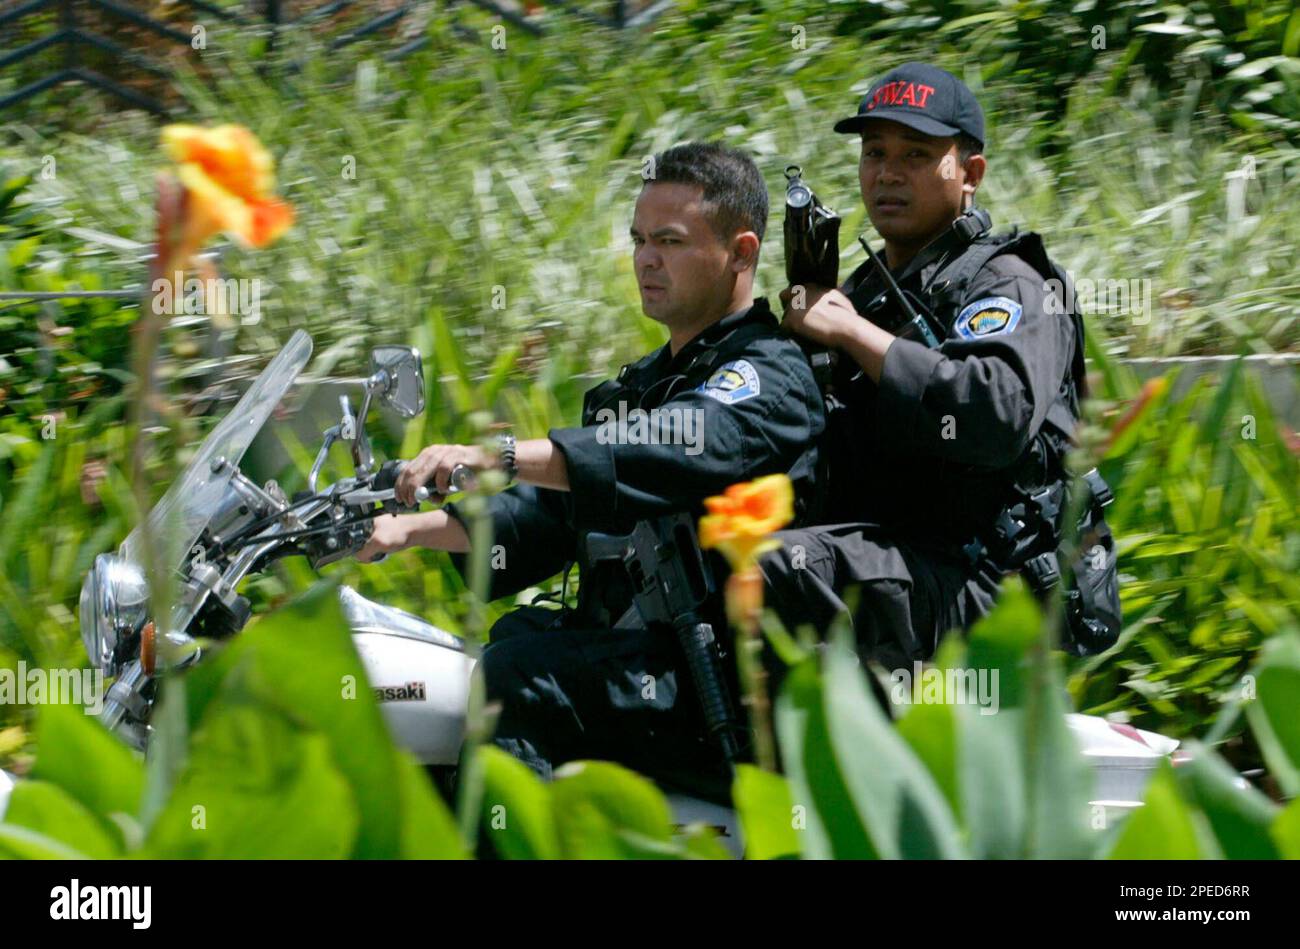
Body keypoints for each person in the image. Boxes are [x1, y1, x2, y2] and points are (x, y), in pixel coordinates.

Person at [359, 142, 825, 781]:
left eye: (670, 241)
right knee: (492, 649)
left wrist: (496, 456)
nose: (646, 259)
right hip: (651, 667)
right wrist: (399, 527)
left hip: (728, 690)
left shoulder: (768, 374)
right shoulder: (648, 383)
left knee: (518, 680)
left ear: (741, 253)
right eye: (639, 240)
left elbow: (675, 443)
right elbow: (551, 510)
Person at [765, 62, 1086, 669]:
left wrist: (853, 334)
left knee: (779, 567)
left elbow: (995, 412)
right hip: (888, 555)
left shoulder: (1013, 284)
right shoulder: (867, 289)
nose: (887, 172)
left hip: (987, 584)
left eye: (915, 154)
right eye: (873, 152)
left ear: (970, 174)